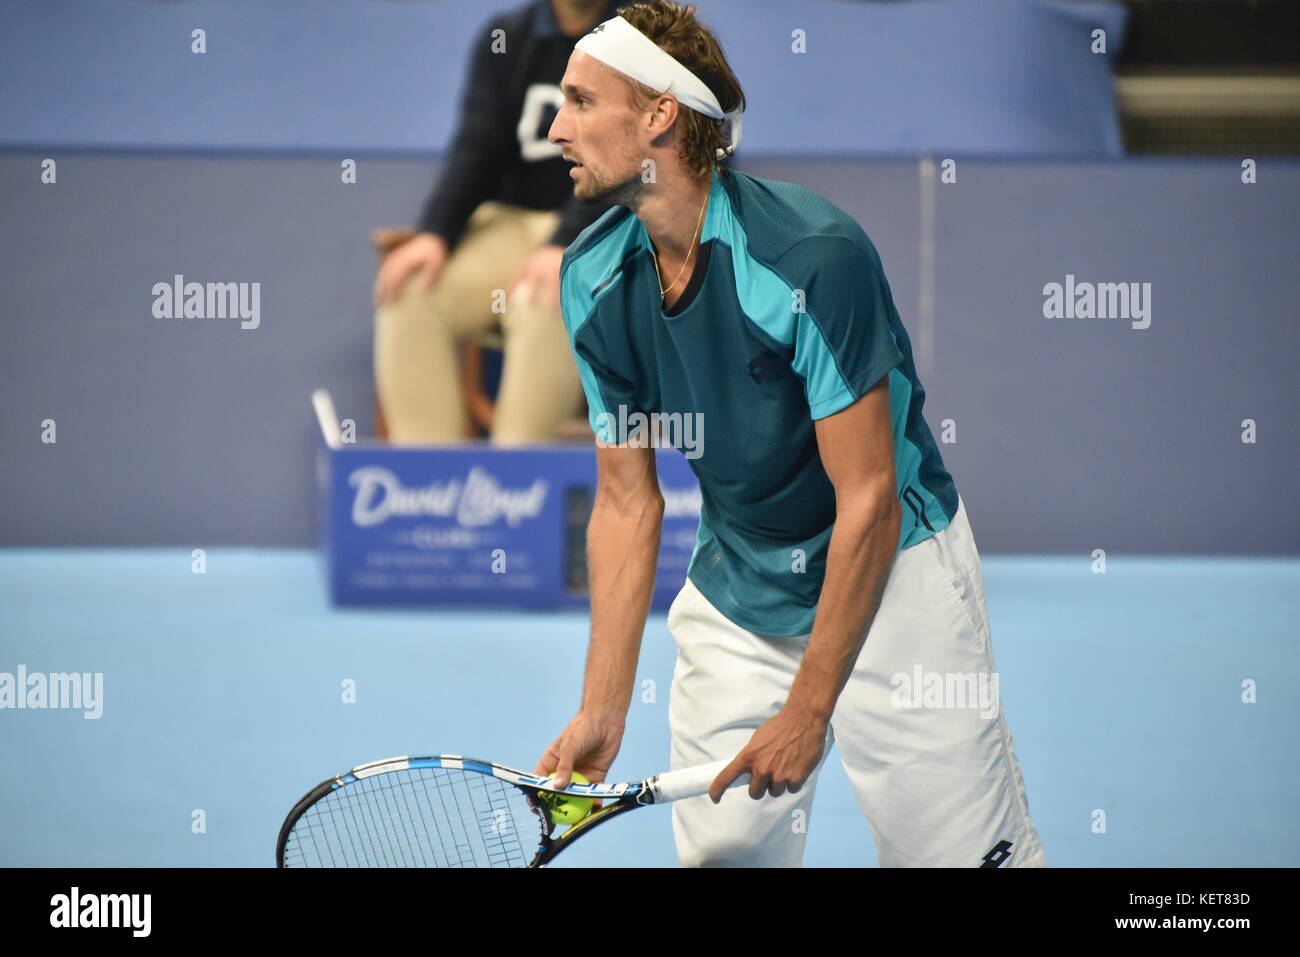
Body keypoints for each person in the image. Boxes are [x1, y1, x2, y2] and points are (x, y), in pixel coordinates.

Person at [533, 0, 1046, 867]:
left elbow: (871, 499)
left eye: (582, 101)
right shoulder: (592, 279)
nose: (555, 128)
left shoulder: (811, 257)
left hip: (894, 576)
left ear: (659, 113)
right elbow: (625, 501)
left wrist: (810, 708)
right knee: (724, 855)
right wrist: (603, 706)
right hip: (743, 586)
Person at [372, 0, 628, 443]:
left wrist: (565, 242)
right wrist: (436, 232)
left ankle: (515, 488)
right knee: (411, 292)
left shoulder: (642, 35)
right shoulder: (506, 37)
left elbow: (638, 159)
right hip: (512, 222)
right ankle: (431, 487)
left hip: (608, 226)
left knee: (544, 300)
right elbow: (477, 146)